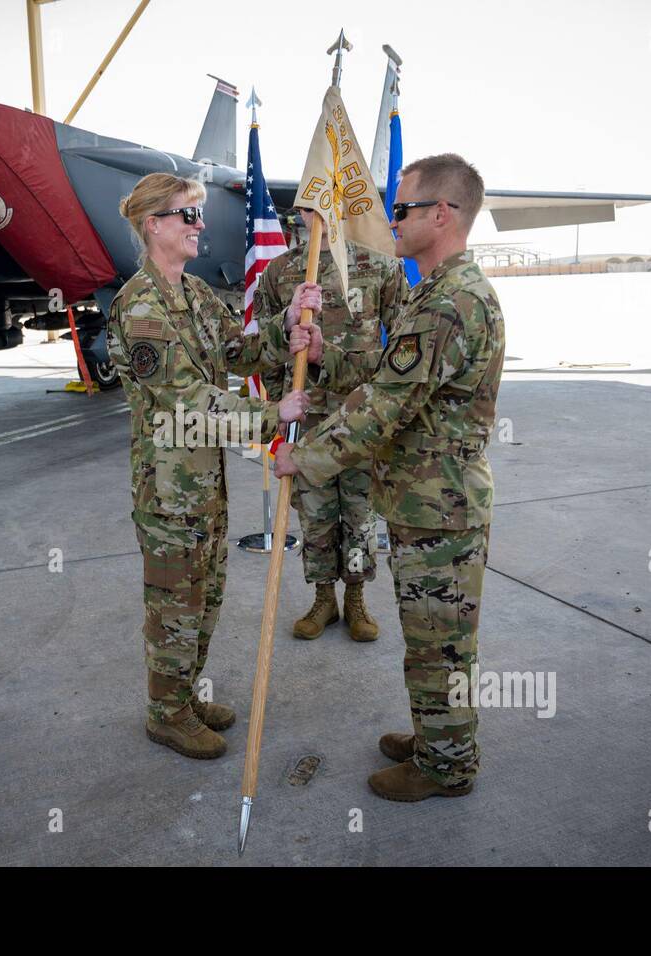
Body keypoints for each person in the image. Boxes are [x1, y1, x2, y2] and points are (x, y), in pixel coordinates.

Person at [276, 153, 505, 802]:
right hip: (425, 503)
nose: (389, 220)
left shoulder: (450, 302)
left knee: (440, 647)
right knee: (435, 641)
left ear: (443, 214)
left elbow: (382, 408)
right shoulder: (437, 293)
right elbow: (389, 374)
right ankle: (438, 735)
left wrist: (306, 457)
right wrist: (326, 353)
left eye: (400, 209)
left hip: (439, 511)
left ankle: (447, 766)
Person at [107, 172, 310, 760]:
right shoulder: (141, 307)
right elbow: (191, 405)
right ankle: (165, 714)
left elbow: (239, 349)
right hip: (169, 492)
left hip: (203, 483)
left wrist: (287, 324)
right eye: (187, 216)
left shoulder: (193, 295)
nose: (201, 226)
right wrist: (274, 413)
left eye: (199, 215)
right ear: (153, 225)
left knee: (206, 596)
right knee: (174, 604)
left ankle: (184, 699)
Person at [255, 210, 406, 642]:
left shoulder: (380, 264)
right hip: (309, 417)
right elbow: (266, 346)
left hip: (361, 417)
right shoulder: (282, 271)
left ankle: (356, 597)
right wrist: (277, 401)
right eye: (310, 201)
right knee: (316, 517)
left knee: (359, 515)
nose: (318, 209)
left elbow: (400, 343)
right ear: (300, 210)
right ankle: (324, 597)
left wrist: (386, 408)